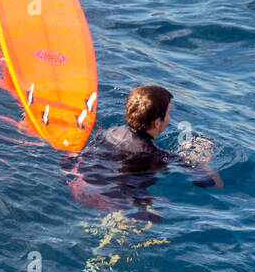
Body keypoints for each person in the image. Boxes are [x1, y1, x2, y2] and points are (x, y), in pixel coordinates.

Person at [64, 84, 222, 215]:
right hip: (113, 200)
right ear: (156, 123)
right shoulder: (157, 155)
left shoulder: (109, 132)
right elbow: (212, 183)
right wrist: (202, 161)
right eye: (168, 113)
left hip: (78, 185)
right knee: (161, 210)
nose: (170, 118)